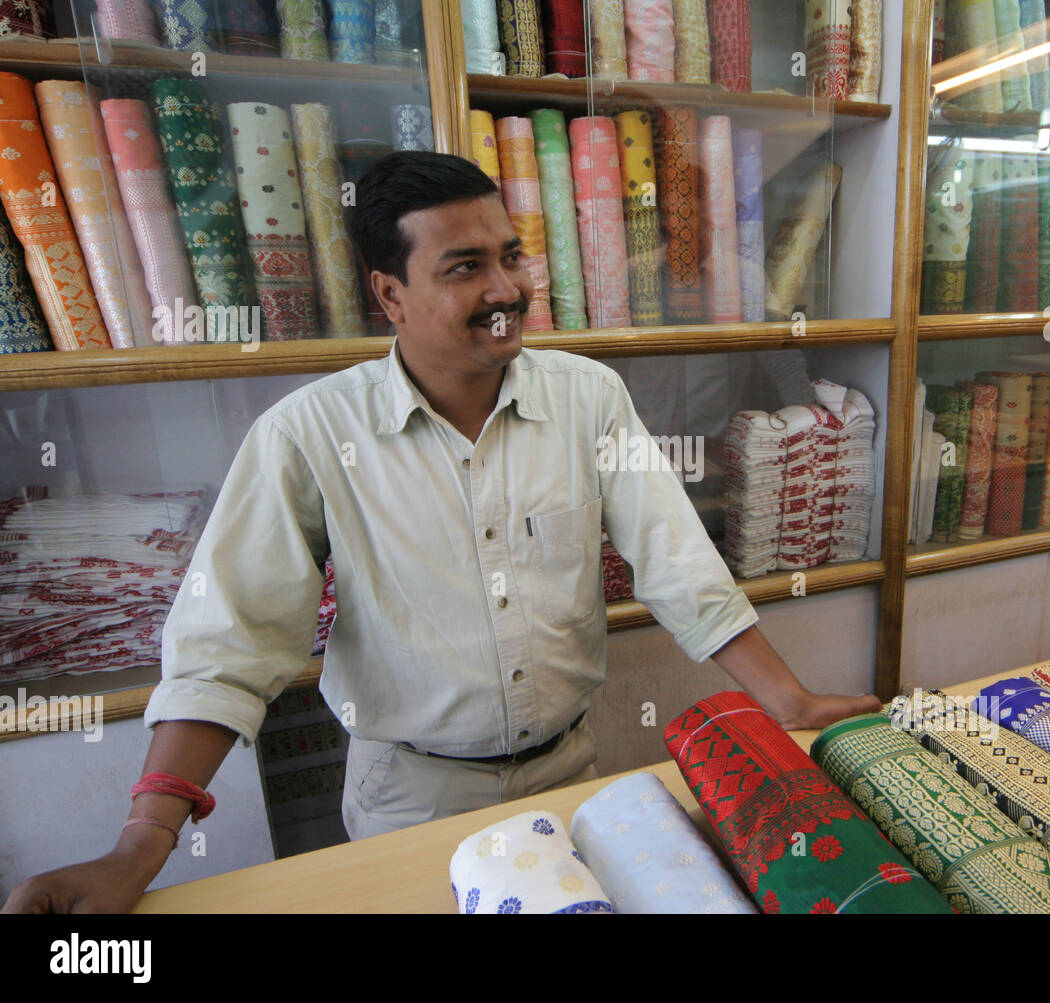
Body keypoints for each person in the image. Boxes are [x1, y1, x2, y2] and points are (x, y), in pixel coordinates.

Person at [2, 152, 879, 914]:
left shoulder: (587, 398)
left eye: (510, 256)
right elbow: (227, 644)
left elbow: (679, 564)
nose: (505, 290)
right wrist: (139, 845)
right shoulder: (307, 435)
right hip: (410, 799)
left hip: (574, 775)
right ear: (390, 292)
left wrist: (790, 702)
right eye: (465, 267)